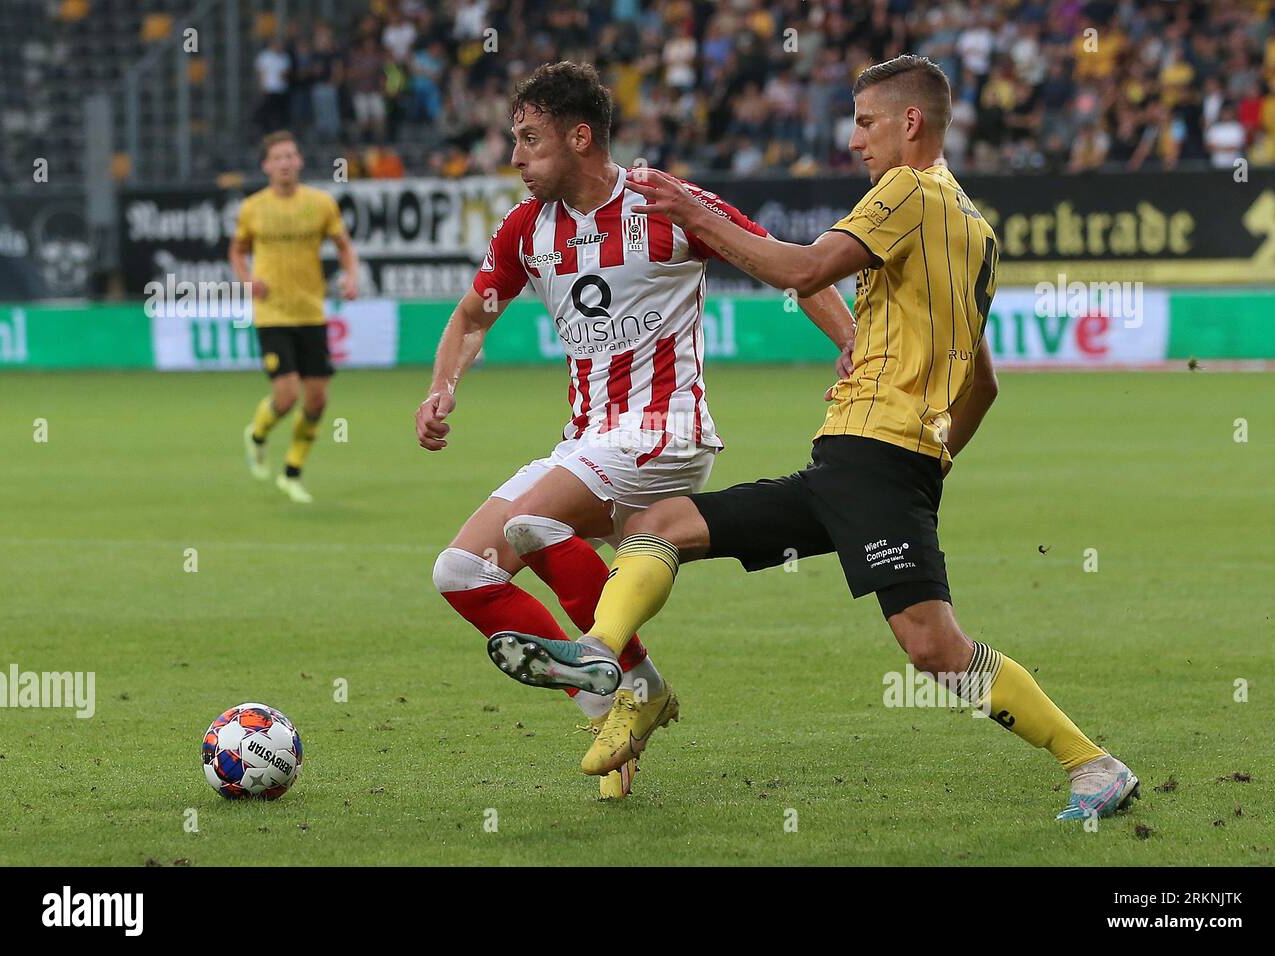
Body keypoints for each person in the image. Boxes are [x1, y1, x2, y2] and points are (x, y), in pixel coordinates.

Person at [488, 55, 1140, 823]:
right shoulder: (973, 229)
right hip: (861, 465)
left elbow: (800, 271)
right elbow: (984, 381)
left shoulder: (905, 189)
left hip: (874, 460)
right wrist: (934, 463)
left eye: (865, 122)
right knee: (659, 525)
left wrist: (697, 217)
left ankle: (1091, 763)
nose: (855, 139)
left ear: (911, 123)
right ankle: (604, 654)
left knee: (933, 647)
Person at [416, 61, 854, 799]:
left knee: (531, 523)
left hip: (665, 430)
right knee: (461, 572)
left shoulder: (663, 203)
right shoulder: (528, 230)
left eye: (530, 141)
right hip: (587, 441)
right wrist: (442, 387)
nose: (516, 158)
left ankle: (633, 688)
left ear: (580, 137)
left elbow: (791, 269)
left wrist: (850, 344)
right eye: (514, 141)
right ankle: (613, 705)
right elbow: (472, 314)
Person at [229, 131, 359, 504]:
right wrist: (247, 279)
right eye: (277, 157)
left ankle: (292, 473)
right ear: (266, 166)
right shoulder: (253, 207)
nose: (285, 163)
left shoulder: (320, 204)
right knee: (285, 396)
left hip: (310, 312)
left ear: (299, 161)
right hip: (272, 314)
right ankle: (256, 435)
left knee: (317, 401)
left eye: (290, 156)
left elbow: (344, 247)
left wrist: (351, 276)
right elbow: (237, 251)